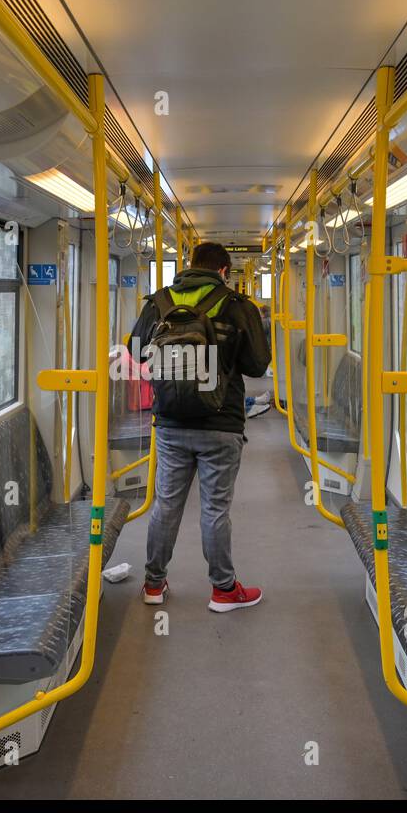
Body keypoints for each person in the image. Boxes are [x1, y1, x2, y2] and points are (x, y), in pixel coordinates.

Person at [129, 241, 272, 611]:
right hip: (221, 422)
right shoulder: (239, 306)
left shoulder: (158, 302)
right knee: (214, 509)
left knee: (166, 505)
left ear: (189, 266)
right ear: (225, 271)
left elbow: (134, 352)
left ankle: (153, 584)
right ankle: (223, 590)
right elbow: (257, 366)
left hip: (171, 421)